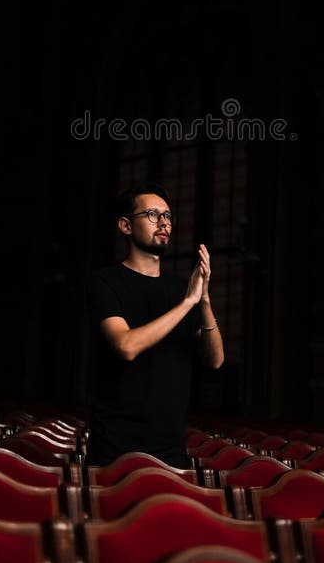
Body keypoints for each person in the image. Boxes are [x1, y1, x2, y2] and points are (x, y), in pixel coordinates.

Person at [84, 182, 225, 469]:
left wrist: (204, 299)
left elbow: (216, 359)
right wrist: (187, 304)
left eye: (168, 216)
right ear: (125, 226)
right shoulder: (104, 282)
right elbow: (126, 346)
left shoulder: (179, 289)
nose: (163, 222)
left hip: (171, 449)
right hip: (114, 448)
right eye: (151, 214)